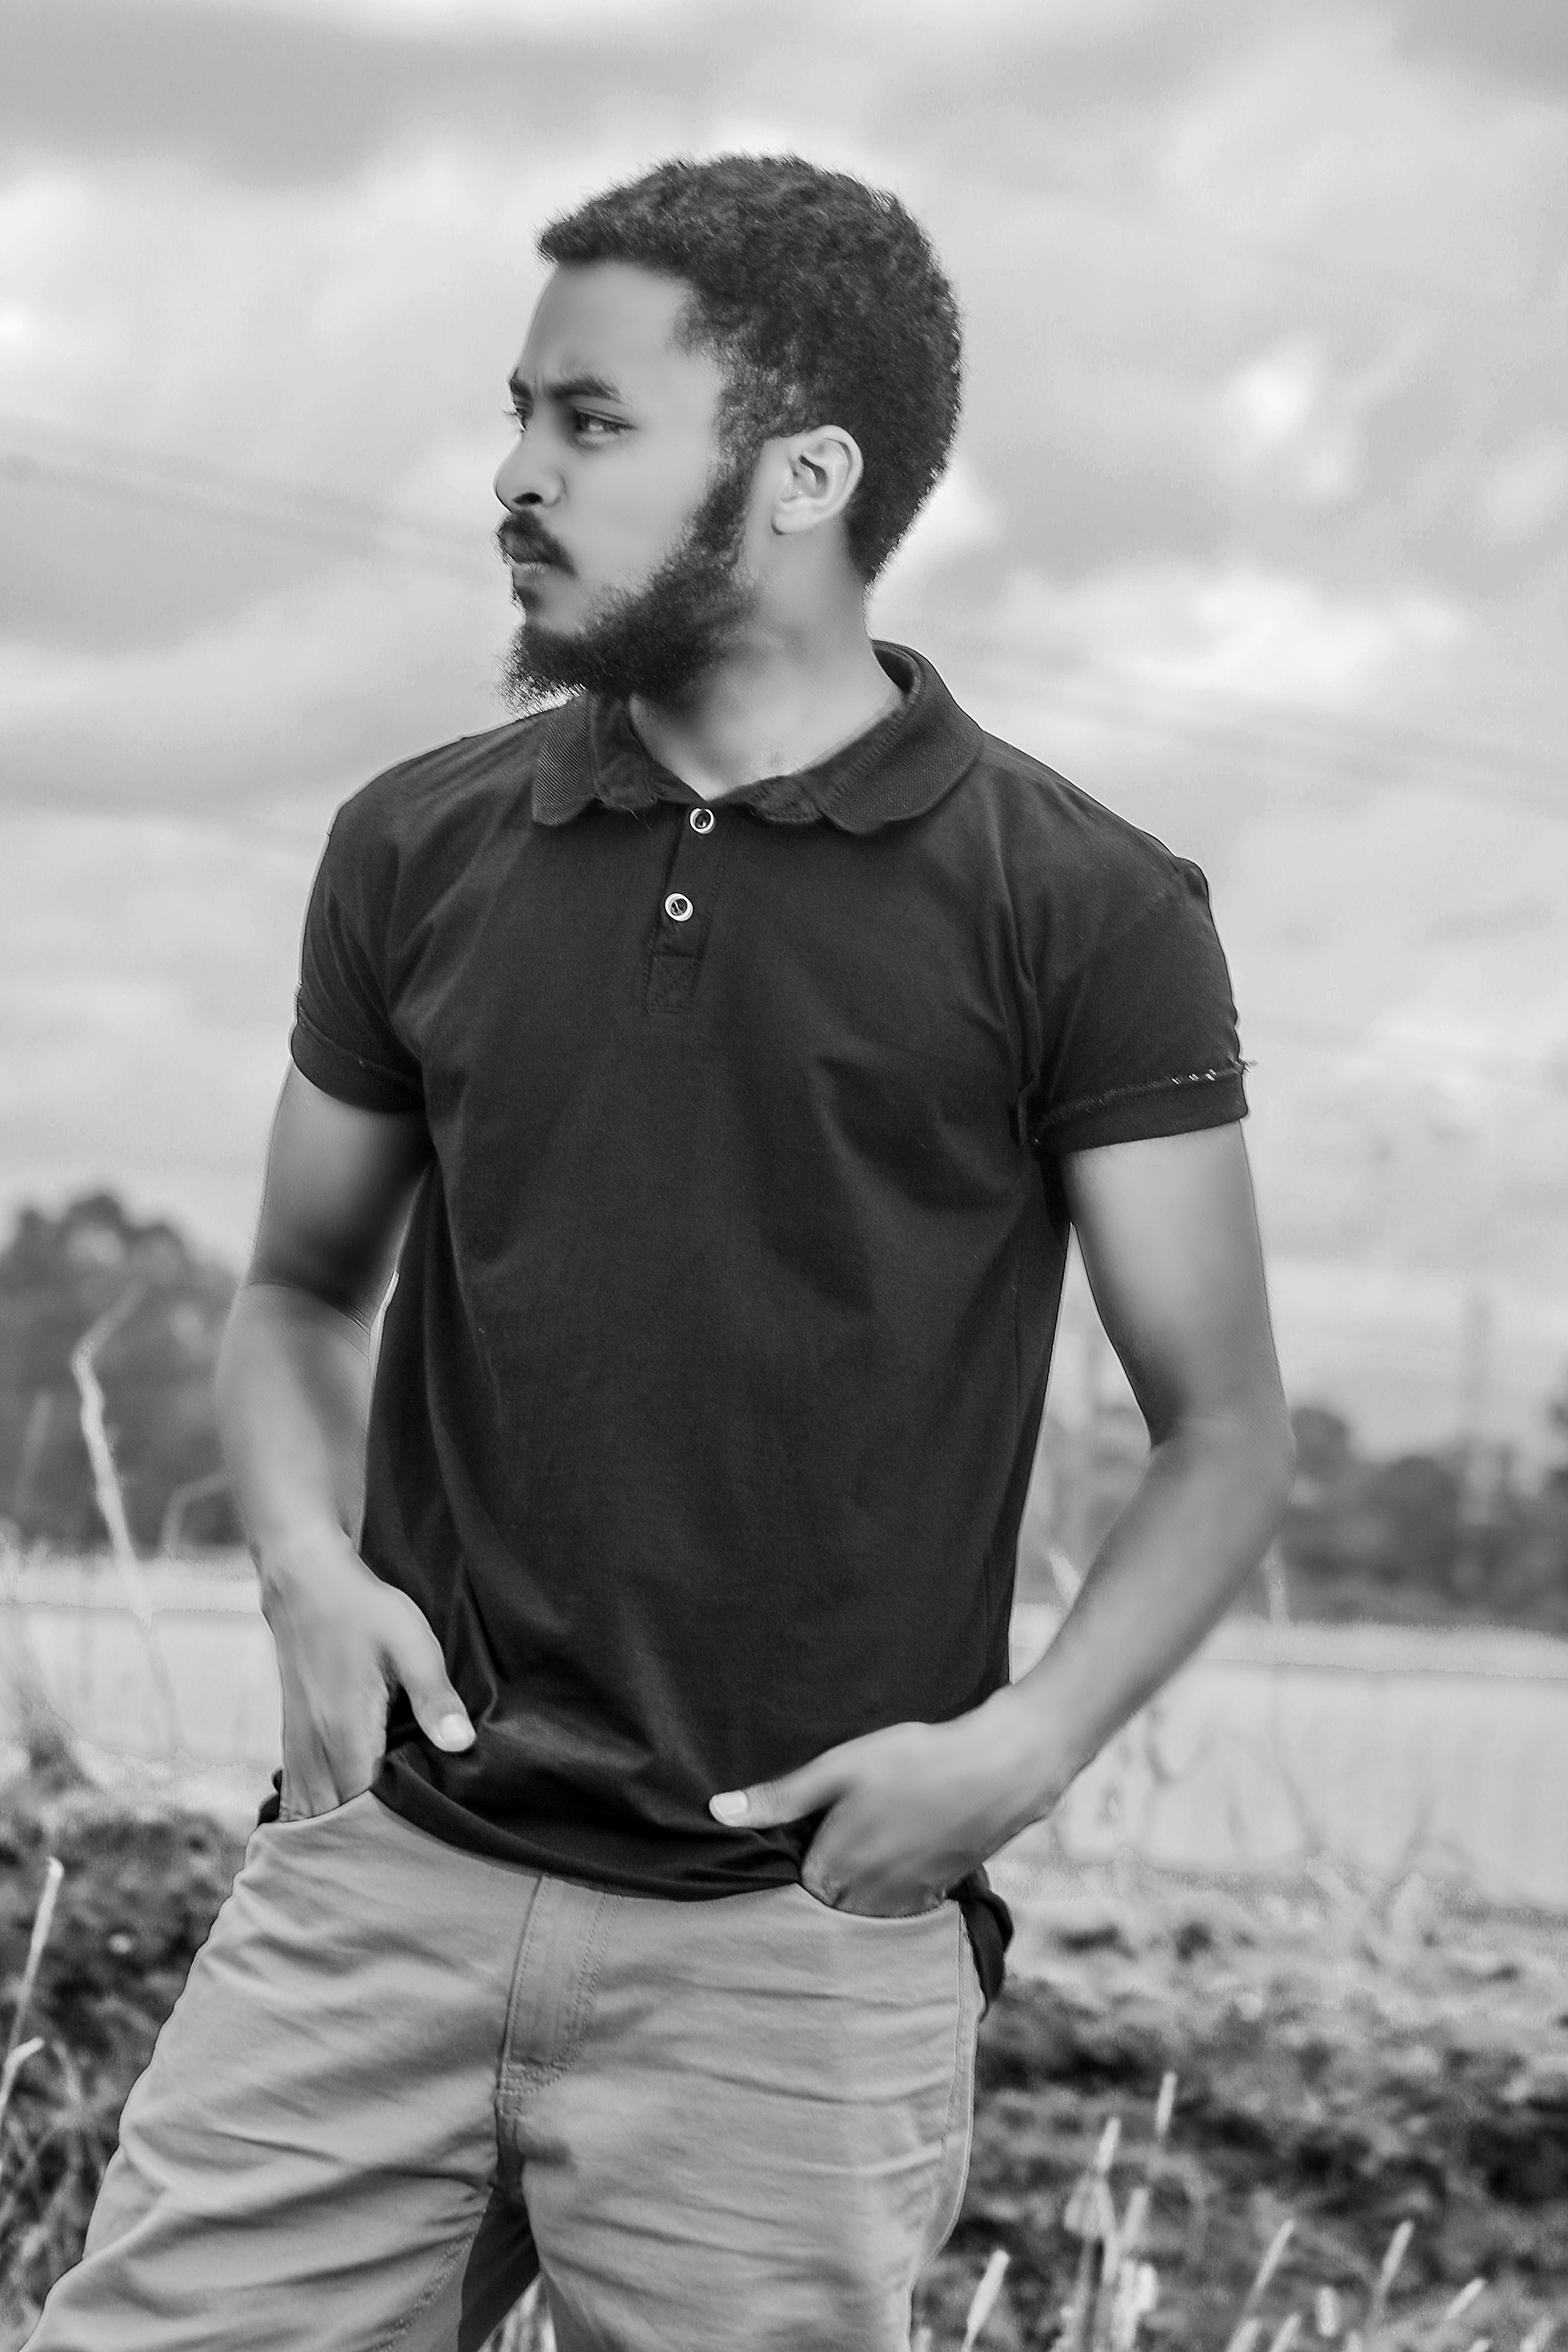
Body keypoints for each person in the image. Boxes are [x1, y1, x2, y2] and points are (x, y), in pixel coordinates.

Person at [27, 154, 1295, 2352]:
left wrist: (1016, 1756)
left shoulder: (1089, 907)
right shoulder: (414, 841)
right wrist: (311, 1585)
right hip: (377, 1887)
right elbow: (301, 1295)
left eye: (594, 425)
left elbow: (1226, 1427)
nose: (517, 477)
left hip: (786, 1953)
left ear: (805, 475)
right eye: (520, 412)